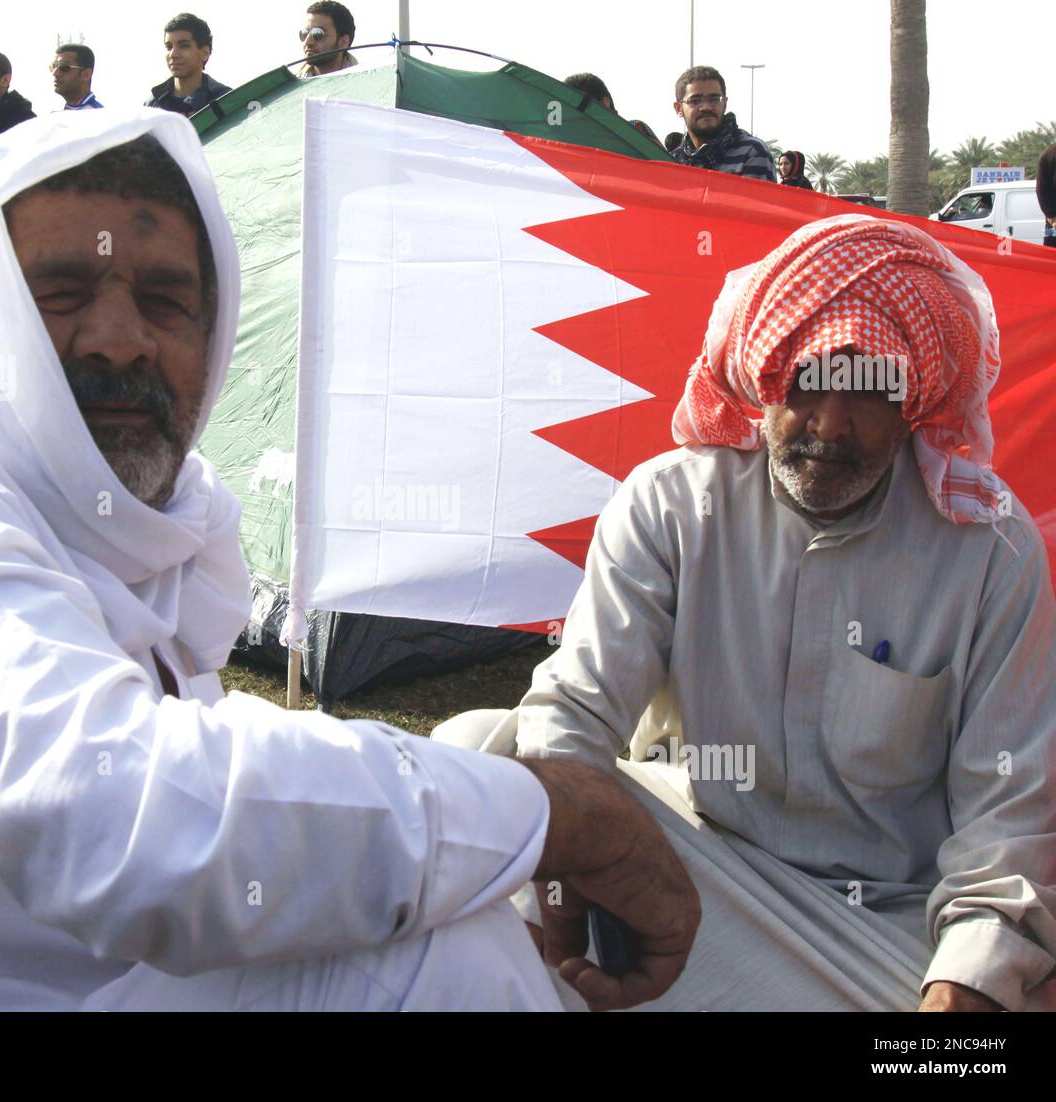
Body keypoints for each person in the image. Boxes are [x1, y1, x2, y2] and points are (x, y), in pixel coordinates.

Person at [0, 107, 699, 1012]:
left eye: (165, 300)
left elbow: (198, 754)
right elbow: (121, 813)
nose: (120, 339)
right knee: (437, 963)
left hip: (78, 976)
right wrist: (551, 815)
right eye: (62, 293)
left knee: (445, 899)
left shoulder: (157, 513)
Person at [436, 213, 1056, 1013]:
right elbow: (580, 710)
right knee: (479, 751)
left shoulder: (989, 551)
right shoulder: (672, 505)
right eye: (807, 381)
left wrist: (959, 989)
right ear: (763, 376)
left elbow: (1009, 819)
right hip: (700, 868)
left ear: (913, 401)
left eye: (869, 393)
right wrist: (569, 879)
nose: (831, 425)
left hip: (888, 922)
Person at [670, 65, 775, 181]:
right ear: (678, 108)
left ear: (725, 103)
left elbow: (753, 199)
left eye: (714, 99)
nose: (706, 107)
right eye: (695, 101)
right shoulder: (674, 161)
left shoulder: (751, 151)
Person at [147, 13, 231, 116]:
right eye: (169, 47)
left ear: (205, 52)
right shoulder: (151, 106)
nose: (173, 54)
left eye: (183, 46)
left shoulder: (225, 100)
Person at [298, 2, 357, 77]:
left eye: (318, 33)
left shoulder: (366, 84)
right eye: (305, 33)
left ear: (343, 42)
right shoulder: (291, 87)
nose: (308, 42)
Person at [53, 43, 102, 110]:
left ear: (86, 75)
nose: (55, 73)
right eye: (54, 66)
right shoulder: (57, 116)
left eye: (63, 66)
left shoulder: (99, 116)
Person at [1037, 142, 1056, 248]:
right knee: (1052, 257)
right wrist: (1051, 217)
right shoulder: (1050, 154)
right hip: (1053, 223)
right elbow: (1042, 189)